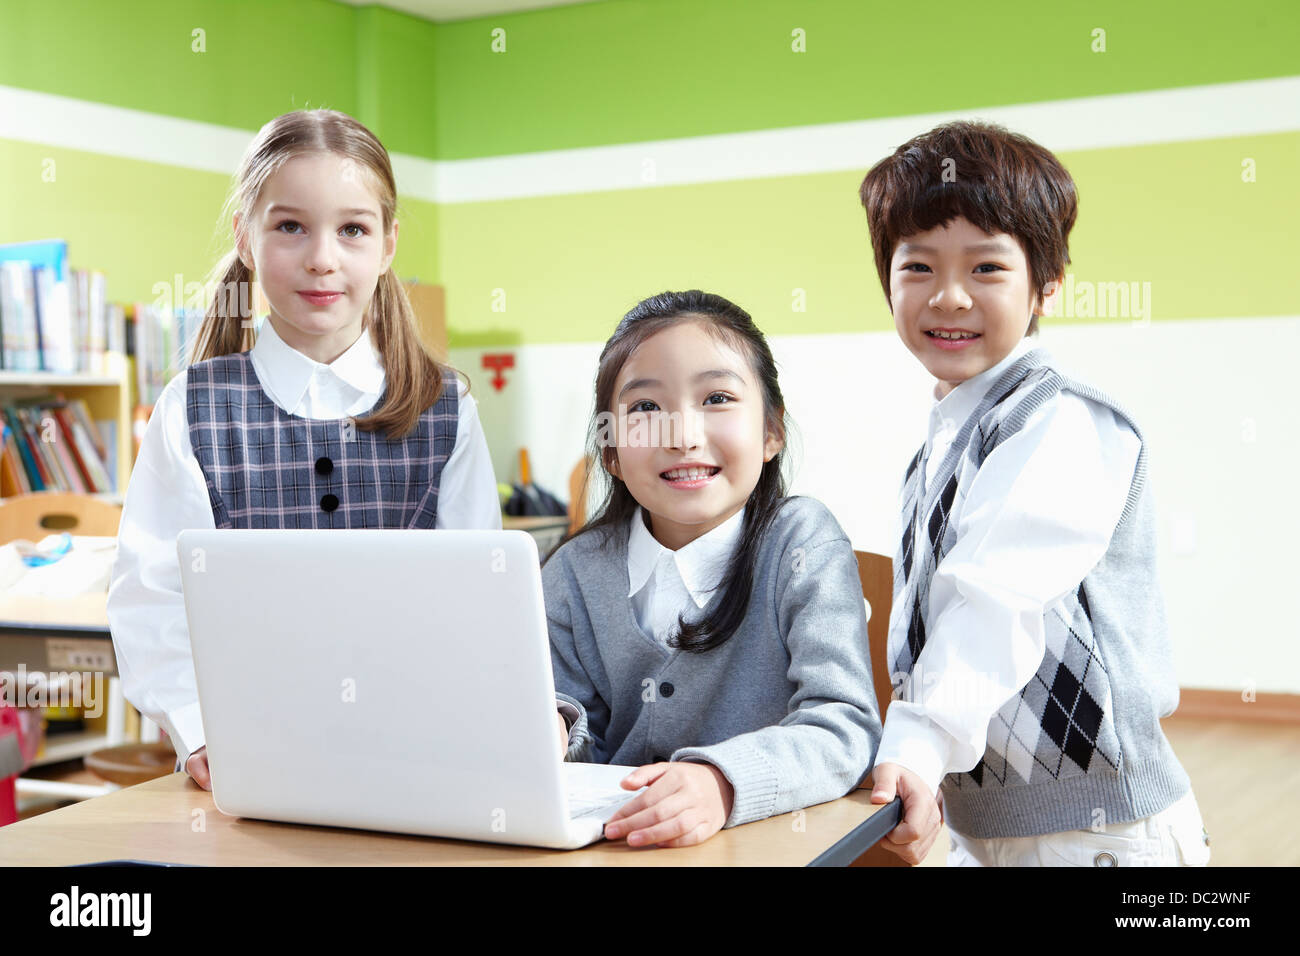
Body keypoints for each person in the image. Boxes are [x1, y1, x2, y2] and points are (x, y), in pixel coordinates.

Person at [107, 109, 506, 791]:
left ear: (386, 247)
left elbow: (480, 600)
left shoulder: (447, 408)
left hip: (414, 752)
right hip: (248, 759)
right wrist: (200, 730)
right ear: (246, 236)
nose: (322, 257)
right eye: (290, 226)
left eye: (352, 229)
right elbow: (151, 595)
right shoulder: (192, 406)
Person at [858, 120, 1209, 866]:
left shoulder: (1062, 420)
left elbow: (995, 602)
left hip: (1099, 831)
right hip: (985, 821)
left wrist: (915, 746)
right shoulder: (942, 441)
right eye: (918, 267)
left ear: (1048, 284)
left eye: (986, 269)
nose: (948, 296)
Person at [543, 290, 881, 848]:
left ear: (772, 432)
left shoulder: (801, 544)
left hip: (769, 848)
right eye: (646, 408)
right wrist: (553, 726)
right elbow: (573, 718)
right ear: (609, 452)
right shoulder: (576, 569)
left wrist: (723, 783)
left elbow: (843, 726)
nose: (681, 435)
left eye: (718, 397)